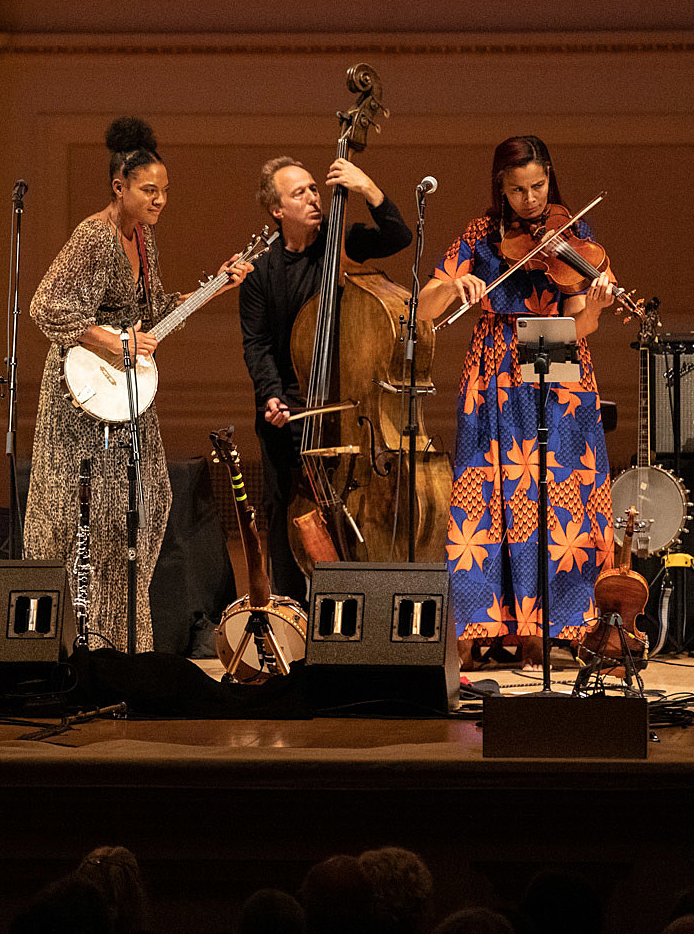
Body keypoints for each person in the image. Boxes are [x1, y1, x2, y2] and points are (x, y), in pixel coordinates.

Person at [25, 118, 251, 651]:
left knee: (146, 503)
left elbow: (151, 318)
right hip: (80, 400)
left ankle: (121, 640)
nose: (160, 201)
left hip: (127, 395)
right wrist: (110, 343)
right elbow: (46, 307)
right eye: (150, 190)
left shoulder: (145, 240)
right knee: (83, 520)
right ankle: (75, 640)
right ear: (118, 187)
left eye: (165, 191)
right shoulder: (92, 237)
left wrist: (215, 289)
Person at [415, 135, 615, 668]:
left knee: (560, 488)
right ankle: (491, 623)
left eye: (539, 186)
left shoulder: (574, 233)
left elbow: (581, 325)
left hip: (550, 339)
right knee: (488, 490)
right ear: (500, 188)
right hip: (496, 355)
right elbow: (423, 312)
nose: (530, 200)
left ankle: (556, 626)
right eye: (518, 189)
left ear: (551, 178)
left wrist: (594, 307)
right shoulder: (479, 236)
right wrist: (457, 284)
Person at [237, 155, 411, 602]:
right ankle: (294, 613)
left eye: (315, 189)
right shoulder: (259, 270)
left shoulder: (341, 242)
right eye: (301, 193)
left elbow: (398, 235)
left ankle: (362, 609)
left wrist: (368, 188)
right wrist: (271, 396)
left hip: (348, 405)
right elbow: (256, 345)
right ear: (277, 210)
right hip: (290, 411)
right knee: (288, 516)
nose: (314, 197)